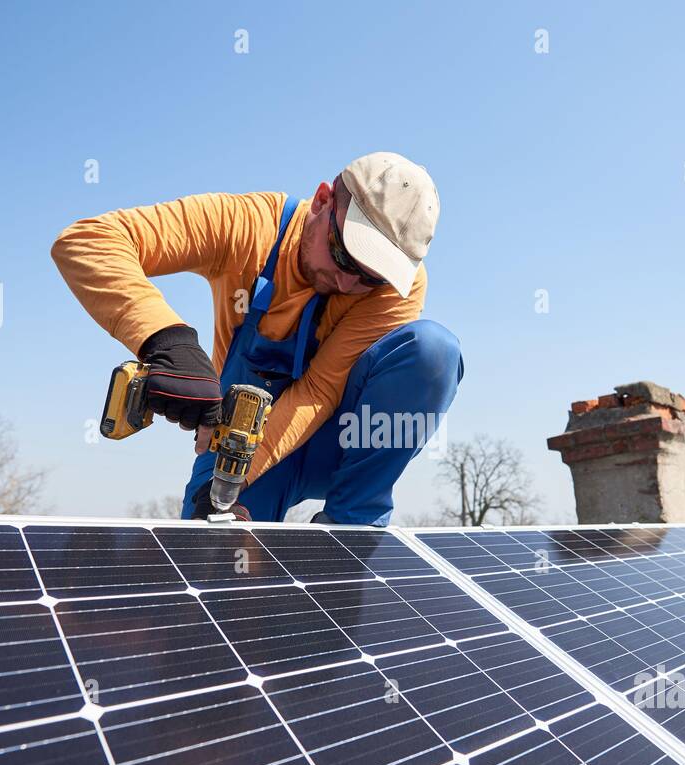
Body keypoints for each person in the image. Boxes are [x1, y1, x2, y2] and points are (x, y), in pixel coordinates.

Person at [53, 152, 461, 525]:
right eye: (343, 254)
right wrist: (167, 340)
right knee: (219, 568)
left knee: (431, 352)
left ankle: (350, 530)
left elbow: (319, 388)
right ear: (321, 202)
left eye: (369, 277)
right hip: (240, 440)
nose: (346, 280)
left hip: (338, 441)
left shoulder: (394, 287)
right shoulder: (246, 226)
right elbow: (87, 242)